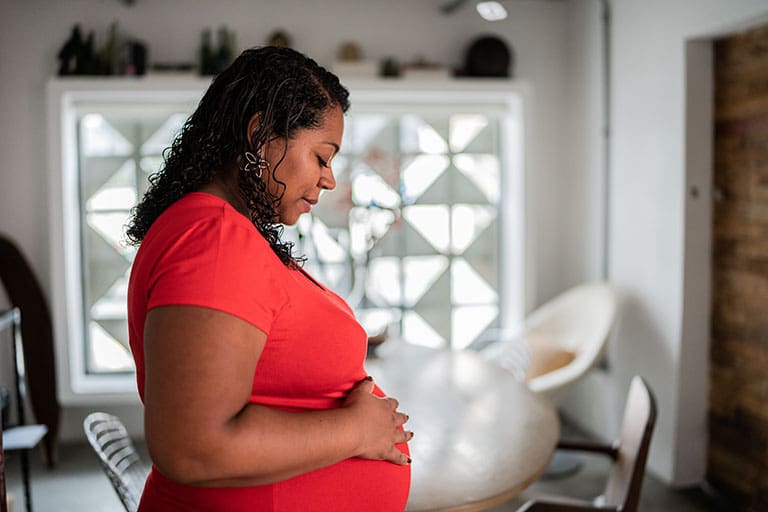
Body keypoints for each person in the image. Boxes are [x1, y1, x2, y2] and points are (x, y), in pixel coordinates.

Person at [125, 46, 412, 512]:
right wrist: (359, 430)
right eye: (322, 157)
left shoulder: (218, 231)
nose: (330, 180)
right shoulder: (216, 238)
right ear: (260, 136)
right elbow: (194, 447)